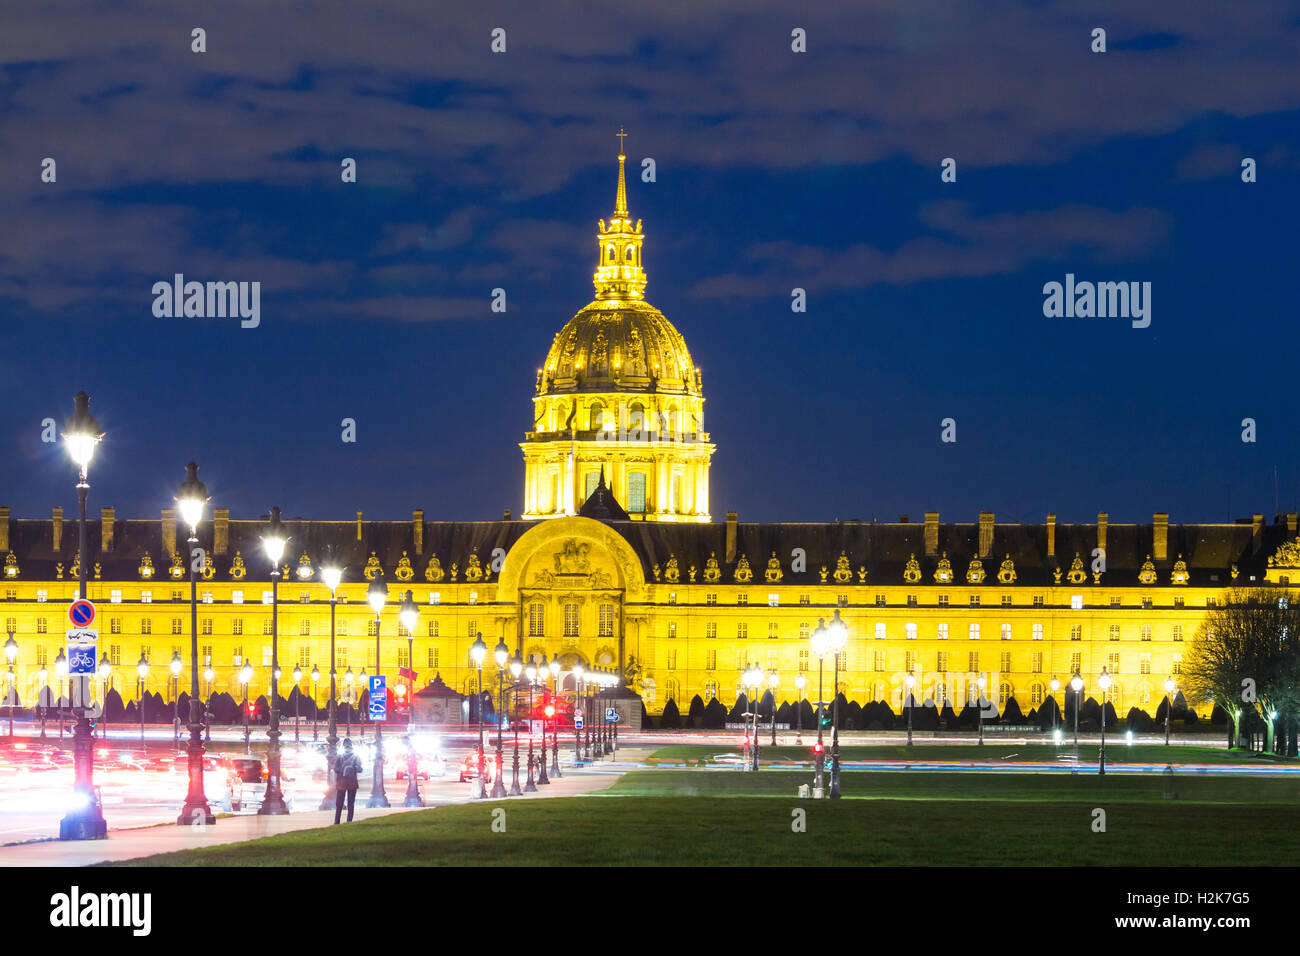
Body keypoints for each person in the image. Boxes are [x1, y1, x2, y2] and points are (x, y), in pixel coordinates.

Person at [334, 738, 363, 824]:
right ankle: (349, 821)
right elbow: (360, 769)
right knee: (351, 803)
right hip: (352, 783)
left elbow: (336, 769)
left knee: (339, 804)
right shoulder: (356, 756)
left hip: (341, 783)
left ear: (343, 746)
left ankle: (337, 821)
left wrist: (342, 770)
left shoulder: (340, 756)